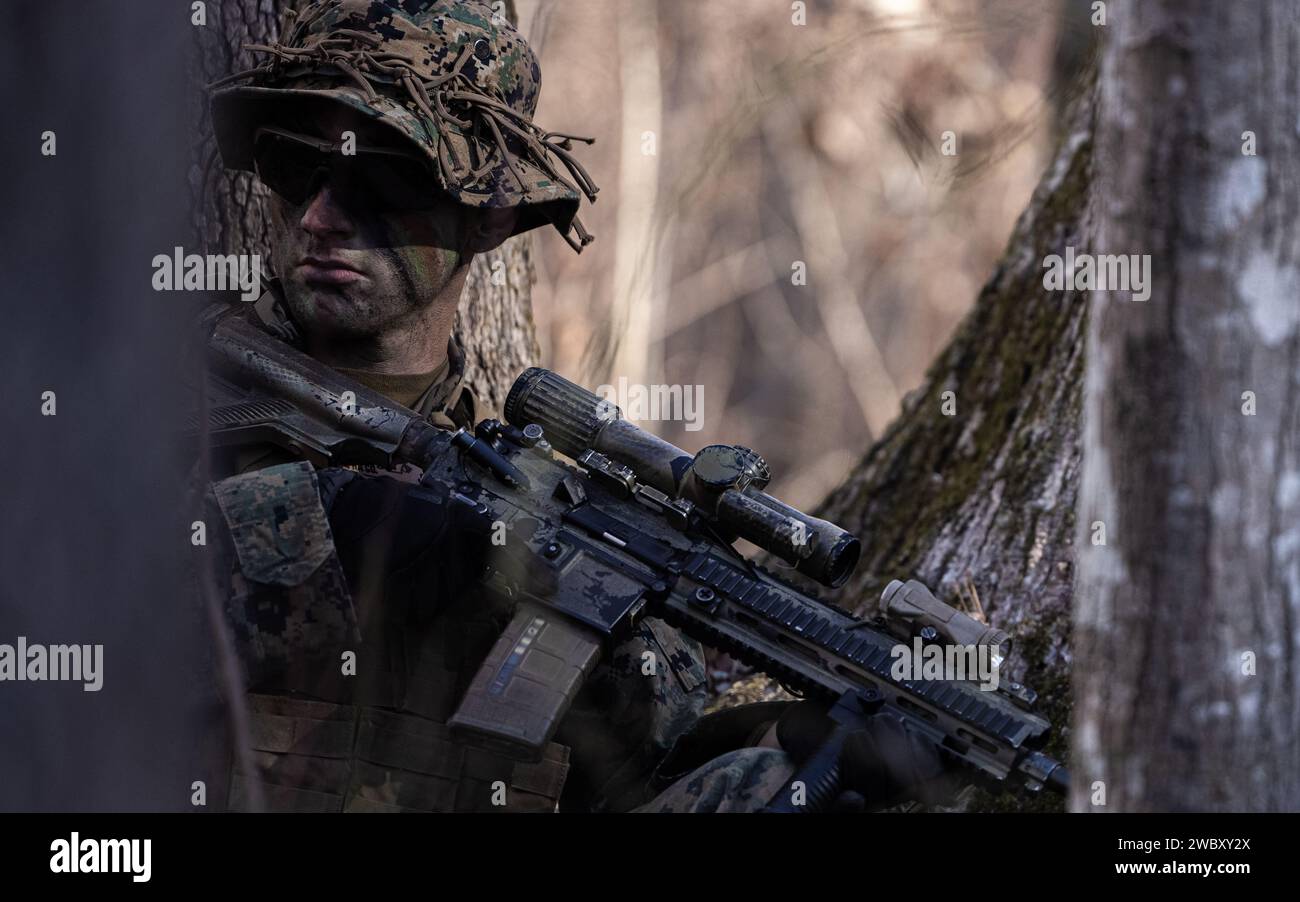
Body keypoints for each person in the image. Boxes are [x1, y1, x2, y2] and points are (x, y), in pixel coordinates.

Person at [200, 0, 952, 813]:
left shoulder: (528, 492)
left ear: (490, 216)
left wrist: (789, 746)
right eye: (295, 171)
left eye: (379, 183)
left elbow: (626, 771)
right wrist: (328, 530)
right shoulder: (167, 402)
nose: (320, 218)